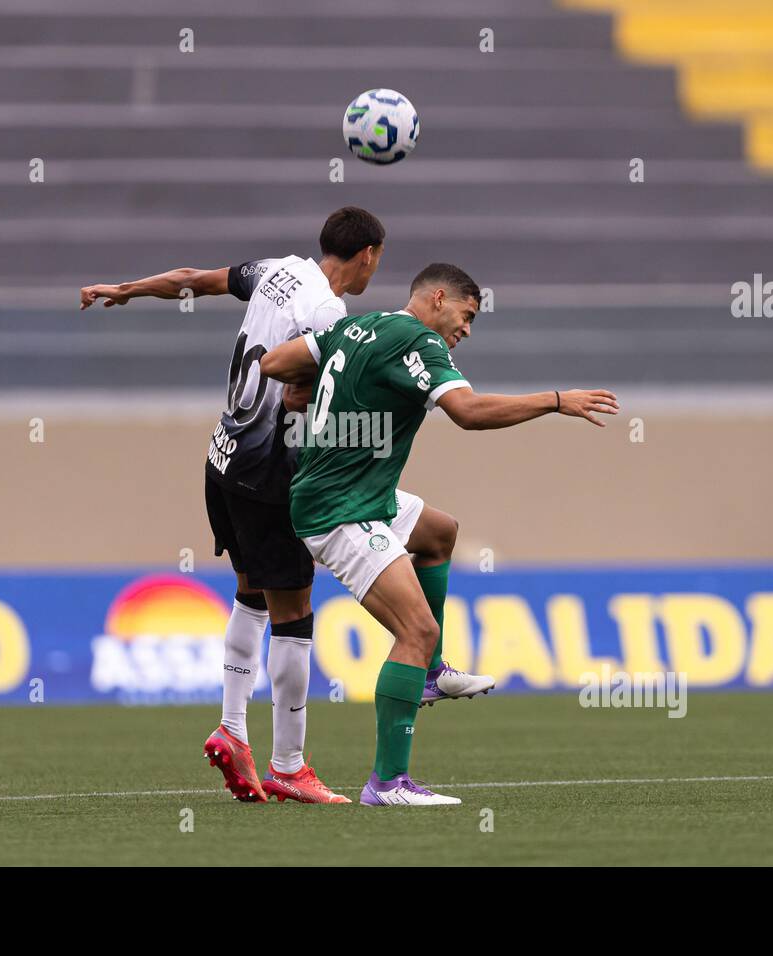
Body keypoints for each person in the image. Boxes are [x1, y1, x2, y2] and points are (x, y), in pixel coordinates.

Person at [80, 208, 477, 804]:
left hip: (222, 459)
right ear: (369, 255)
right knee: (292, 618)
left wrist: (130, 290)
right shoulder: (328, 313)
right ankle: (288, 764)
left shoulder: (279, 272)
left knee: (250, 595)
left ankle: (233, 725)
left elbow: (199, 277)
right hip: (276, 473)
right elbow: (297, 397)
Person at [260, 263, 618, 805]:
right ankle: (388, 783)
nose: (468, 329)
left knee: (438, 533)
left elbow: (275, 365)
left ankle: (430, 673)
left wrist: (325, 389)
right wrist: (556, 400)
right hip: (341, 508)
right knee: (416, 631)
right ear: (440, 297)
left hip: (345, 490)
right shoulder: (421, 342)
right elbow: (468, 413)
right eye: (467, 315)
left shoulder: (361, 325)